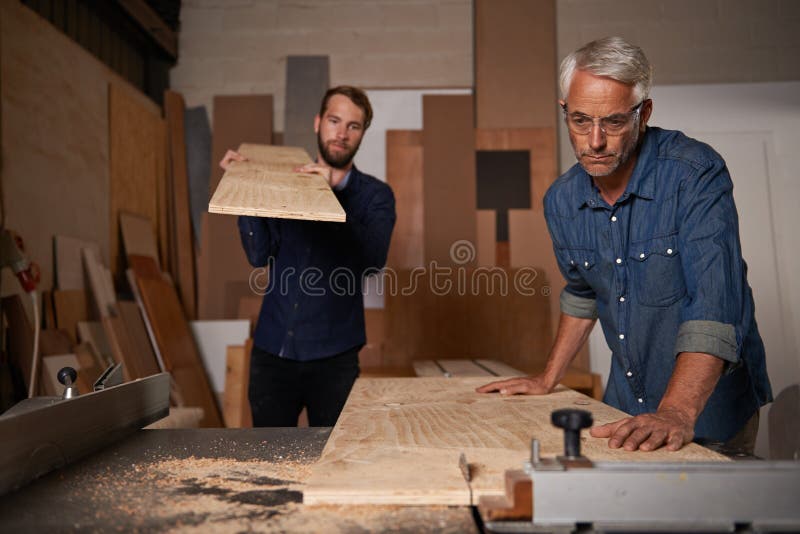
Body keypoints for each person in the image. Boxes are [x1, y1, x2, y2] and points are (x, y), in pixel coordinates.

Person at [477, 37, 772, 454]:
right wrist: (548, 378)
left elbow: (715, 306)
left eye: (613, 122)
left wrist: (676, 412)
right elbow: (582, 294)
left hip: (708, 411)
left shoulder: (695, 174)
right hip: (624, 407)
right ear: (564, 110)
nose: (594, 141)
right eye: (580, 121)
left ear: (643, 113)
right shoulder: (561, 200)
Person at [220, 86, 396, 427]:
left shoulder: (376, 196)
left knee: (330, 465)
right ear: (318, 123)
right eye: (334, 121)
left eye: (353, 126)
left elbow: (372, 260)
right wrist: (245, 187)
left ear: (362, 134)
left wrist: (329, 195)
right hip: (272, 353)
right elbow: (258, 255)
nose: (341, 134)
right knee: (269, 465)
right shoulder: (286, 181)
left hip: (335, 359)